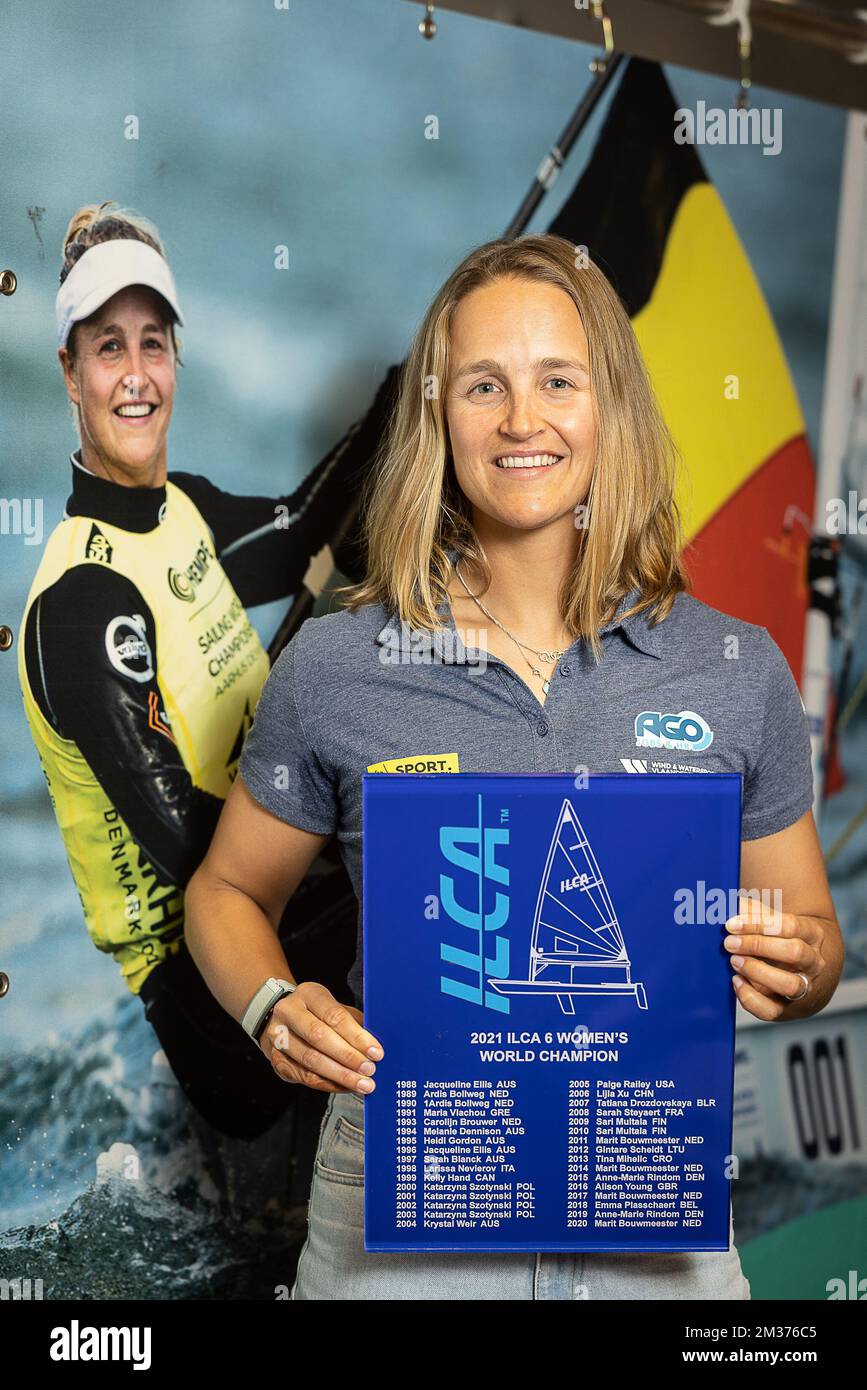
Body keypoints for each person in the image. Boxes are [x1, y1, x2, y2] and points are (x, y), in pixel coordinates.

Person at [184, 233, 844, 1299]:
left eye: (557, 381)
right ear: (439, 414)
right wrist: (272, 1004)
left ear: (611, 408)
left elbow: (814, 943)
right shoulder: (342, 664)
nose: (522, 419)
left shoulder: (734, 669)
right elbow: (222, 890)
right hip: (397, 1216)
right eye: (484, 384)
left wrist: (794, 965)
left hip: (655, 1219)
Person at [18, 201, 400, 1148]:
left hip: (280, 891)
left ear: (177, 361)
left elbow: (308, 526)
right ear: (70, 373)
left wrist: (419, 384)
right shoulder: (80, 603)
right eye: (109, 349)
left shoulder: (181, 512)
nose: (137, 375)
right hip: (208, 991)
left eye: (155, 343)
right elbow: (191, 850)